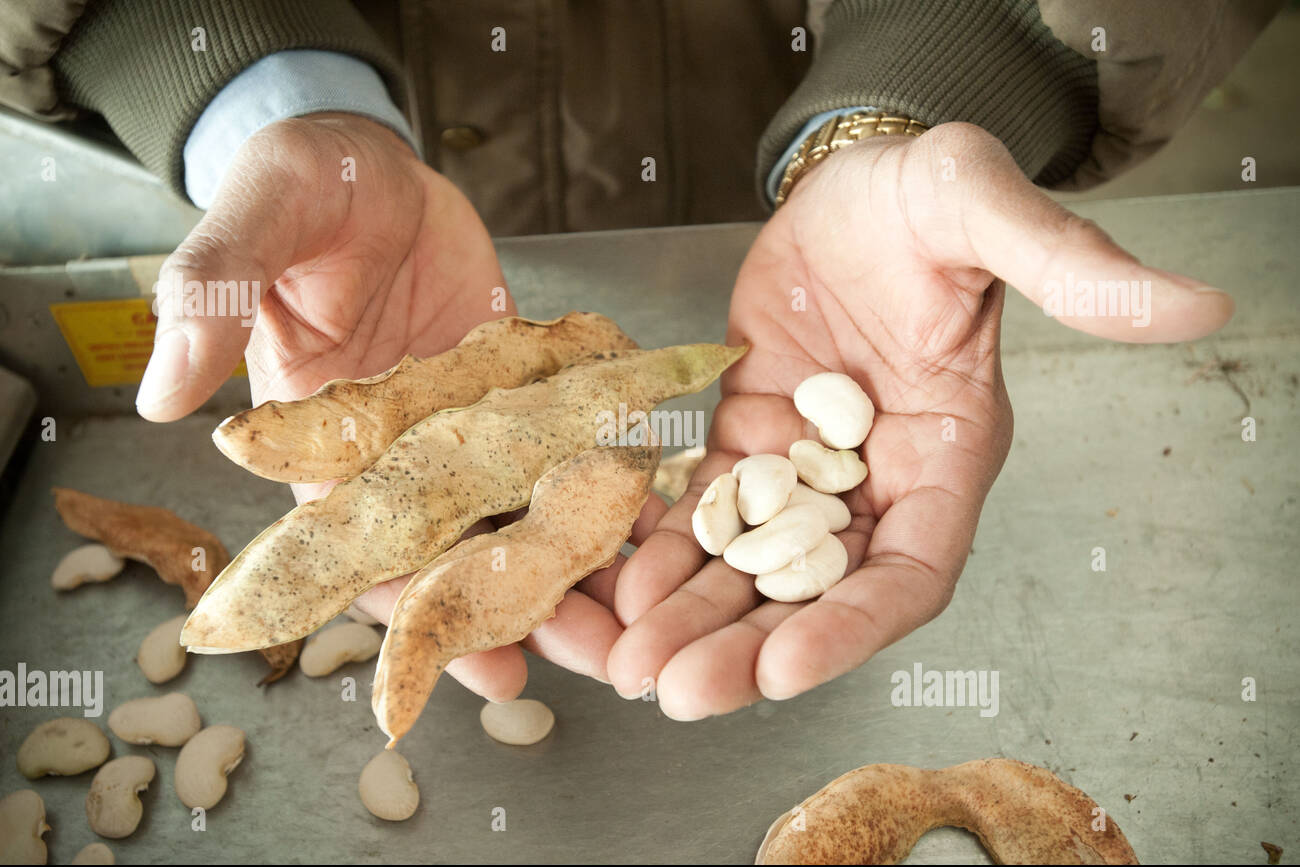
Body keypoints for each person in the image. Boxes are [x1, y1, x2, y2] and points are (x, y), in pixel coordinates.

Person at [4, 0, 1277, 718]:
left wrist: (966, 60)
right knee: (417, 544)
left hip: (786, 124)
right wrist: (250, 85)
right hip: (385, 198)